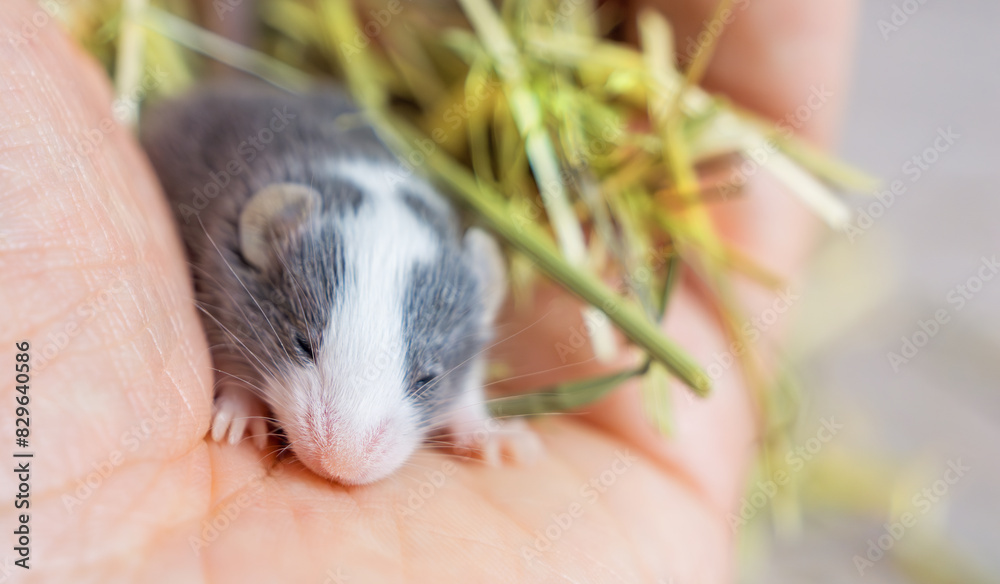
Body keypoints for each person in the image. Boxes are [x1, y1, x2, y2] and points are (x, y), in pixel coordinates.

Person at [0, 0, 855, 580]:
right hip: (233, 126)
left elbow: (462, 345)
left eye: (417, 385)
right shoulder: (270, 225)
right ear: (264, 247)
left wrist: (465, 410)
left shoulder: (445, 285)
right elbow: (222, 274)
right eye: (303, 348)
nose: (349, 445)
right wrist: (236, 382)